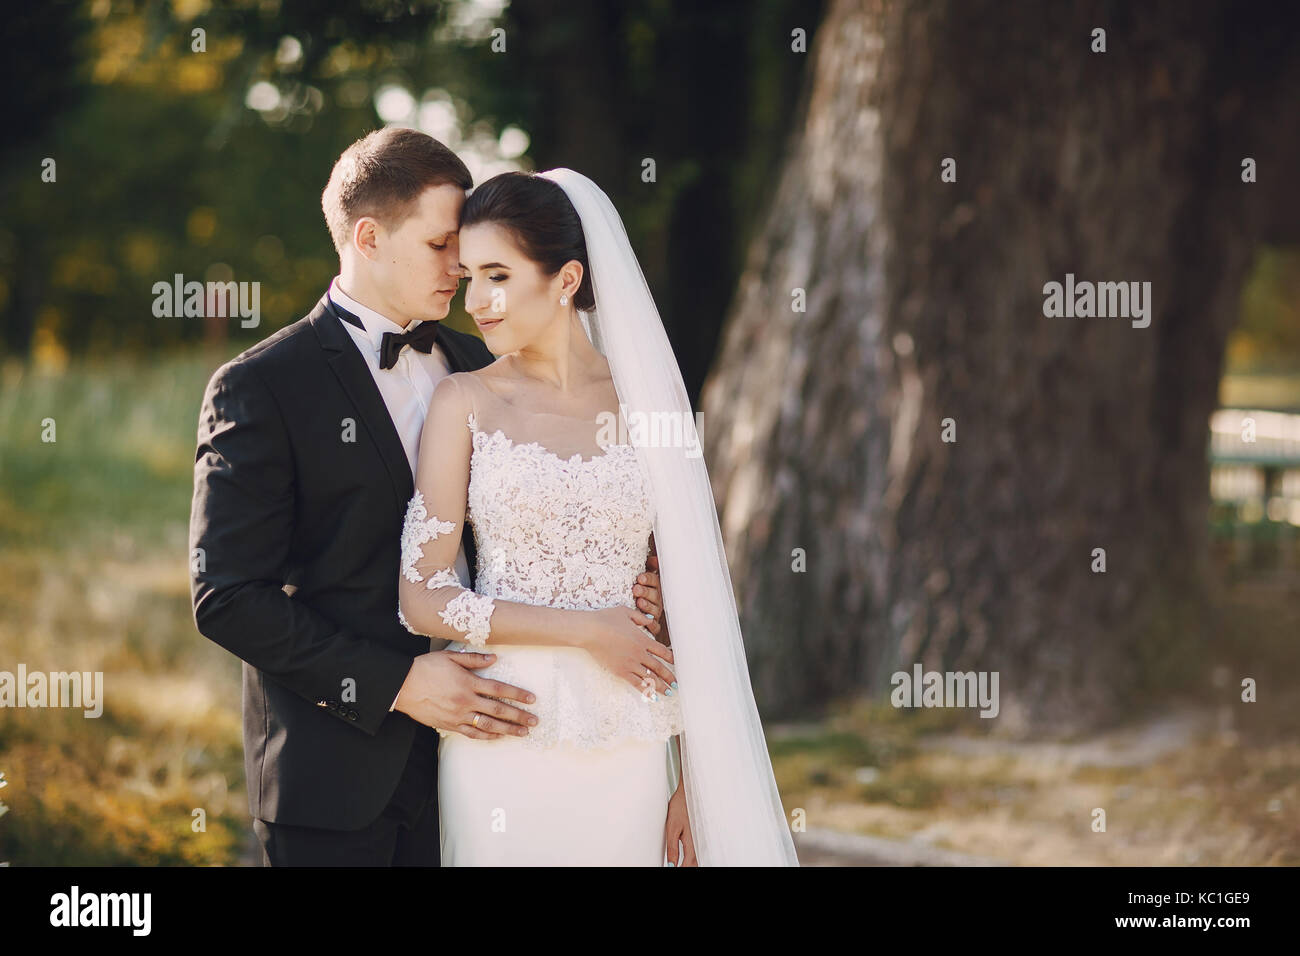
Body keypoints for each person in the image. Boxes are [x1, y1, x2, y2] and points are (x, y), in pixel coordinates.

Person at [188, 129, 668, 866]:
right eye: (443, 246)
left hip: (493, 739)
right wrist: (399, 683)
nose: (460, 271)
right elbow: (226, 595)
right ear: (369, 237)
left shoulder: (484, 359)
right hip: (336, 771)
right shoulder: (261, 386)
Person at [398, 169, 799, 866]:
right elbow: (422, 594)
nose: (477, 302)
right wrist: (588, 631)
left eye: (497, 274)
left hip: (633, 734)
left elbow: (687, 605)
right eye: (468, 278)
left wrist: (694, 780)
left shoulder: (647, 403)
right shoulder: (463, 401)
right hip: (503, 725)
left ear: (566, 278)